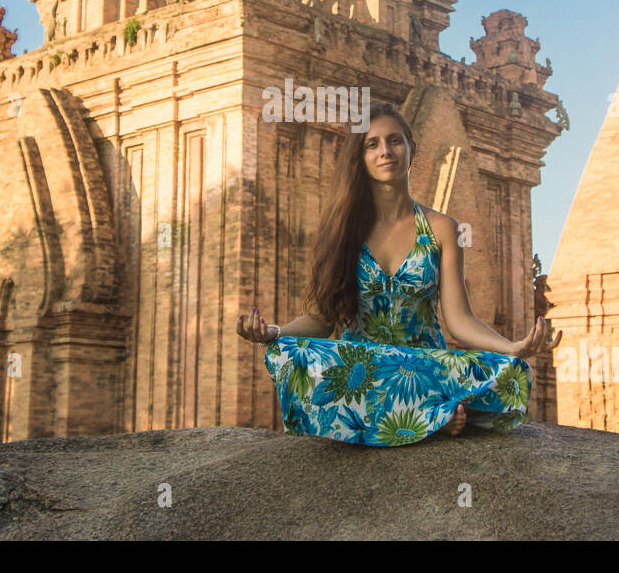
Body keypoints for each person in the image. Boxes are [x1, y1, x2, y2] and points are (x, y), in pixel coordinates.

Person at [237, 100, 562, 445]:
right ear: (359, 158)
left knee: (513, 374)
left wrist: (511, 347)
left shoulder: (442, 229)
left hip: (424, 367)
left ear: (411, 147)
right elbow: (321, 320)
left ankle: (417, 414)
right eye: (372, 144)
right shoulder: (341, 231)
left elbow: (459, 319)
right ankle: (432, 416)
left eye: (394, 141)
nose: (385, 152)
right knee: (291, 355)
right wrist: (273, 332)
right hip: (362, 371)